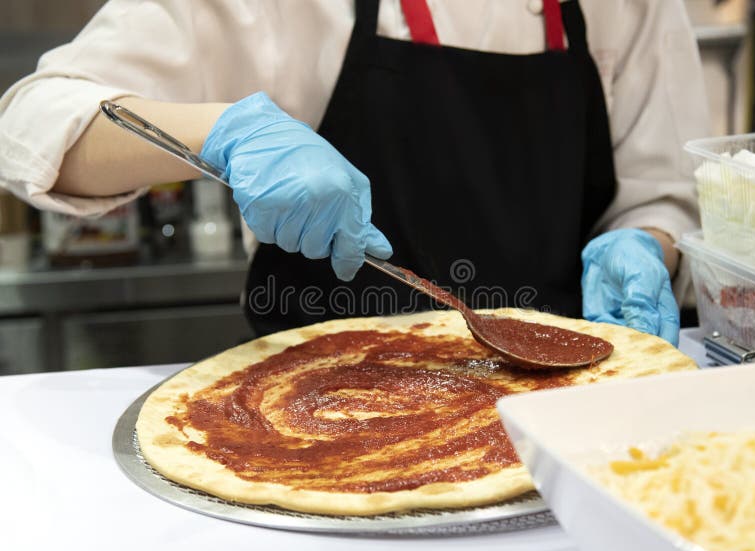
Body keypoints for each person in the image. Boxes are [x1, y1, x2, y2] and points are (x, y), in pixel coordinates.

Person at [0, 0, 709, 345]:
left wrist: (648, 242)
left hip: (562, 417)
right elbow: (34, 120)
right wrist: (218, 135)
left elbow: (664, 189)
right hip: (312, 415)